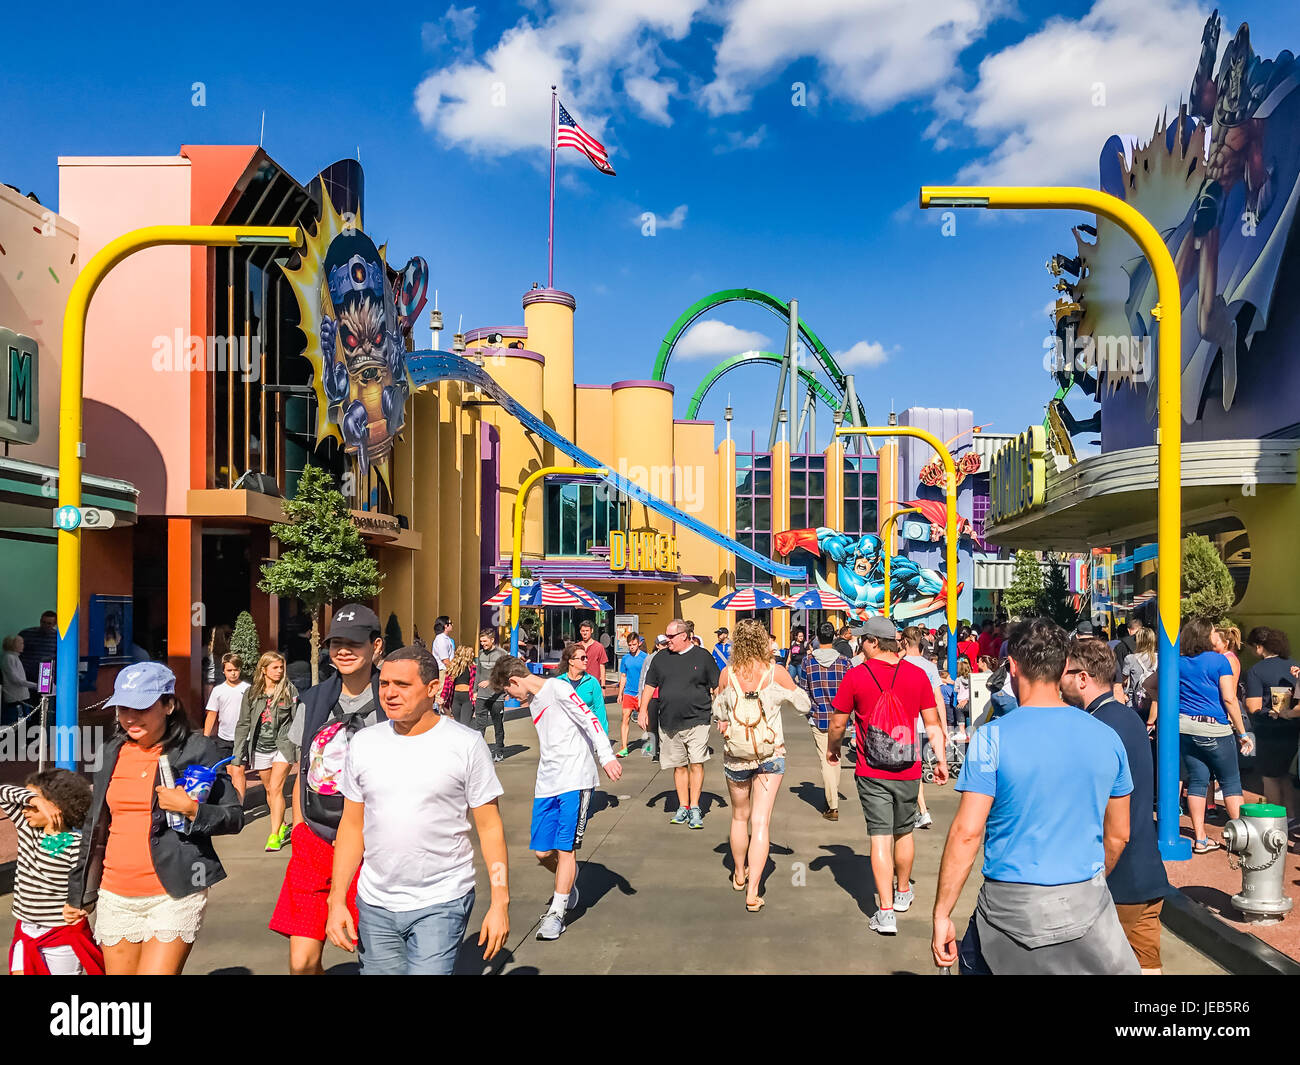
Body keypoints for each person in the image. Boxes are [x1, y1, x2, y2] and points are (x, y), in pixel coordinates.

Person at [932, 619, 1139, 975]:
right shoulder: (1107, 738)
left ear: (1012, 666)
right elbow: (1119, 835)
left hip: (1009, 911)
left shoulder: (989, 739)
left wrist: (942, 913)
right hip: (1086, 905)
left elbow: (967, 834)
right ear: (1063, 670)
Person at [325, 646, 509, 974]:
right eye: (384, 684)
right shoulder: (364, 744)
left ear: (433, 689)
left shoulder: (465, 744)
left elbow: (490, 826)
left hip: (443, 899)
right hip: (374, 903)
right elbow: (352, 826)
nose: (390, 693)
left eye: (402, 685)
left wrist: (500, 902)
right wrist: (337, 899)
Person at [65, 662, 244, 975]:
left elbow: (233, 816)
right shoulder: (111, 750)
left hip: (173, 892)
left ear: (168, 705)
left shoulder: (197, 749)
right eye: (123, 708)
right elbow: (94, 824)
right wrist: (79, 891)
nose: (130, 717)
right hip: (115, 893)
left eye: (142, 707)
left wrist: (192, 810)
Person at [271, 604, 386, 975]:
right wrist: (301, 827)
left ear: (376, 647)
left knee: (375, 956)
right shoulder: (314, 700)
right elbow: (300, 767)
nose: (344, 650)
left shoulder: (394, 698)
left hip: (376, 844)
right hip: (315, 841)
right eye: (337, 642)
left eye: (354, 642)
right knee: (301, 964)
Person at [490, 655, 622, 941]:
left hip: (575, 778)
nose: (509, 697)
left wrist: (607, 756)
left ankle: (557, 913)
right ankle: (568, 884)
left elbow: (591, 722)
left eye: (507, 691)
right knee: (542, 852)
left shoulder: (559, 689)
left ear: (514, 681)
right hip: (547, 783)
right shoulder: (535, 700)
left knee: (565, 850)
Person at [828, 616, 946, 935]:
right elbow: (931, 720)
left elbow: (838, 723)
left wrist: (833, 749)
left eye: (863, 640)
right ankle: (904, 890)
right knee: (904, 831)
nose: (859, 644)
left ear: (875, 642)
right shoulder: (917, 674)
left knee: (879, 836)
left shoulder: (856, 676)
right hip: (907, 767)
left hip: (871, 769)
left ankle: (885, 911)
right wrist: (941, 759)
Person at [1061, 637, 1171, 974]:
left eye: (1064, 673)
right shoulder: (1129, 718)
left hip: (1116, 876)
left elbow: (1097, 813)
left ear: (1083, 678)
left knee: (1096, 964)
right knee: (1146, 962)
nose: (1058, 680)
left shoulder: (1096, 727)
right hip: (1147, 871)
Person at [713, 619, 809, 912]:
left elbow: (718, 710)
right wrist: (783, 694)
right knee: (761, 821)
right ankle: (753, 891)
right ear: (763, 642)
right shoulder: (775, 672)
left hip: (737, 754)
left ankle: (739, 873)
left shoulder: (727, 674)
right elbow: (803, 704)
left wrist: (726, 718)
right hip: (770, 754)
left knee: (739, 816)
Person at [3, 770, 101, 975]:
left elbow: (89, 885)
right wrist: (35, 799)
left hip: (61, 935)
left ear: (58, 806)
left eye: (33, 806)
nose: (24, 810)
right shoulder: (27, 830)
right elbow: (3, 792)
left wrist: (86, 905)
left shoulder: (77, 845)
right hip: (25, 930)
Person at [1177, 616, 1250, 853]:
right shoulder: (1219, 661)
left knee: (1197, 781)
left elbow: (1150, 684)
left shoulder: (1178, 662)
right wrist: (1242, 732)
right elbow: (1229, 698)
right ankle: (1242, 841)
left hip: (1186, 727)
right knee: (1231, 782)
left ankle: (1200, 838)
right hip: (1215, 728)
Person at [641, 618, 721, 829]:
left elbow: (717, 687)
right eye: (666, 636)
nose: (667, 640)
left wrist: (722, 715)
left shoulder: (703, 657)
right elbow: (649, 685)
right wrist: (642, 711)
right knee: (679, 765)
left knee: (696, 762)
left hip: (698, 719)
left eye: (671, 636)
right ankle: (683, 806)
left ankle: (695, 807)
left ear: (684, 636)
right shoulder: (661, 658)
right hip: (669, 721)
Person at [230, 651, 300, 851]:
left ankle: (274, 835)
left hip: (283, 745)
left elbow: (297, 720)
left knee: (276, 788)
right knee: (269, 790)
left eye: (281, 667)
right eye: (275, 667)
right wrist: (238, 754)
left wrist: (299, 747)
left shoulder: (289, 690)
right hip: (260, 747)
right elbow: (243, 724)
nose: (279, 671)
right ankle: (282, 825)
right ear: (264, 670)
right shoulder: (252, 693)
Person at [1244, 626, 1300, 821]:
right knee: (1285, 775)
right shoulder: (1294, 666)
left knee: (1269, 777)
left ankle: (1275, 820)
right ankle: (1291, 817)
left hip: (1268, 731)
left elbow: (1253, 706)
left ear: (1259, 647)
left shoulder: (1257, 671)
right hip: (1293, 730)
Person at [798, 622, 851, 821]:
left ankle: (833, 804)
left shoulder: (808, 662)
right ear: (834, 637)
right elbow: (851, 689)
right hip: (840, 715)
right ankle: (832, 796)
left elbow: (803, 689)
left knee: (825, 760)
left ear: (818, 638)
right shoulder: (845, 662)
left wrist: (810, 710)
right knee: (835, 756)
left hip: (818, 715)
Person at [902, 625, 947, 830]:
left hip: (904, 725)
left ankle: (921, 811)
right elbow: (938, 699)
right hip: (927, 725)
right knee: (915, 768)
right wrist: (944, 728)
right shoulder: (929, 666)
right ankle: (919, 810)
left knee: (910, 770)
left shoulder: (900, 664)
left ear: (904, 641)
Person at [203, 653, 250, 763]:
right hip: (223, 737)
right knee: (226, 769)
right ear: (223, 671)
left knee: (238, 769)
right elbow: (211, 714)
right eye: (229, 670)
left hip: (243, 737)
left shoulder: (248, 689)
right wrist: (205, 738)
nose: (233, 673)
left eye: (236, 669)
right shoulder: (218, 690)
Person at [474, 628, 508, 762]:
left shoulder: (502, 654)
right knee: (479, 726)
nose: (483, 644)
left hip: (497, 695)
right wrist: (475, 691)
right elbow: (478, 673)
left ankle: (499, 750)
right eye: (481, 641)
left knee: (497, 724)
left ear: (492, 640)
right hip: (482, 696)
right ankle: (478, 752)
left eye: (485, 641)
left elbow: (505, 674)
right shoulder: (481, 653)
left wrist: (490, 681)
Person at [559, 641, 607, 734]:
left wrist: (603, 737)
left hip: (588, 734)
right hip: (566, 734)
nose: (586, 660)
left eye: (586, 657)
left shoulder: (592, 682)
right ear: (571, 661)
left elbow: (600, 711)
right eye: (582, 658)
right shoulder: (559, 682)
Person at [615, 632, 648, 758]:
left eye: (634, 644)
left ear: (639, 643)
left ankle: (651, 744)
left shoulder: (645, 657)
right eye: (630, 645)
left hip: (641, 693)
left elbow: (648, 676)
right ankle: (624, 747)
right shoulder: (625, 659)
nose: (632, 647)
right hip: (628, 692)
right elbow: (623, 676)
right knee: (625, 717)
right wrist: (620, 694)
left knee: (645, 720)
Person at [641, 635, 669, 760]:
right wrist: (640, 696)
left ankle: (664, 749)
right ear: (657, 645)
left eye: (666, 644)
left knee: (665, 723)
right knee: (652, 724)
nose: (665, 647)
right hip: (652, 695)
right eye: (663, 644)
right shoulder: (650, 658)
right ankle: (653, 751)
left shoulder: (671, 657)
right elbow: (643, 678)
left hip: (666, 695)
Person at [1117, 626, 1157, 712]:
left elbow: (1123, 681)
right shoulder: (1159, 659)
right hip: (1154, 702)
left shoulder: (1131, 658)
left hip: (1135, 702)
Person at [2, 634, 39, 726]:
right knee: (18, 724)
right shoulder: (9, 658)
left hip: (21, 697)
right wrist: (36, 685)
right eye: (21, 643)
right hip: (16, 698)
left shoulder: (14, 657)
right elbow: (16, 680)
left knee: (24, 723)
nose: (23, 645)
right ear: (13, 644)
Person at [18, 610, 58, 687]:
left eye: (49, 623)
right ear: (40, 621)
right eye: (43, 622)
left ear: (55, 624)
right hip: (26, 675)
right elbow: (16, 653)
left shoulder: (58, 638)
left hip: (46, 675)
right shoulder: (27, 634)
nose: (45, 625)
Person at [439, 645, 476, 726]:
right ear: (465, 654)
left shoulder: (473, 668)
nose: (473, 654)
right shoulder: (453, 668)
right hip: (455, 697)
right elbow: (447, 685)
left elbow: (475, 684)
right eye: (471, 652)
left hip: (468, 697)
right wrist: (442, 697)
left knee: (465, 724)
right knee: (458, 724)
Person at [577, 619, 607, 688]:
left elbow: (602, 667)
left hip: (594, 684)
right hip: (579, 683)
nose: (585, 633)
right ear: (580, 632)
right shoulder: (577, 647)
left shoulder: (599, 647)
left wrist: (603, 686)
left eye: (587, 631)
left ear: (591, 631)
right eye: (583, 631)